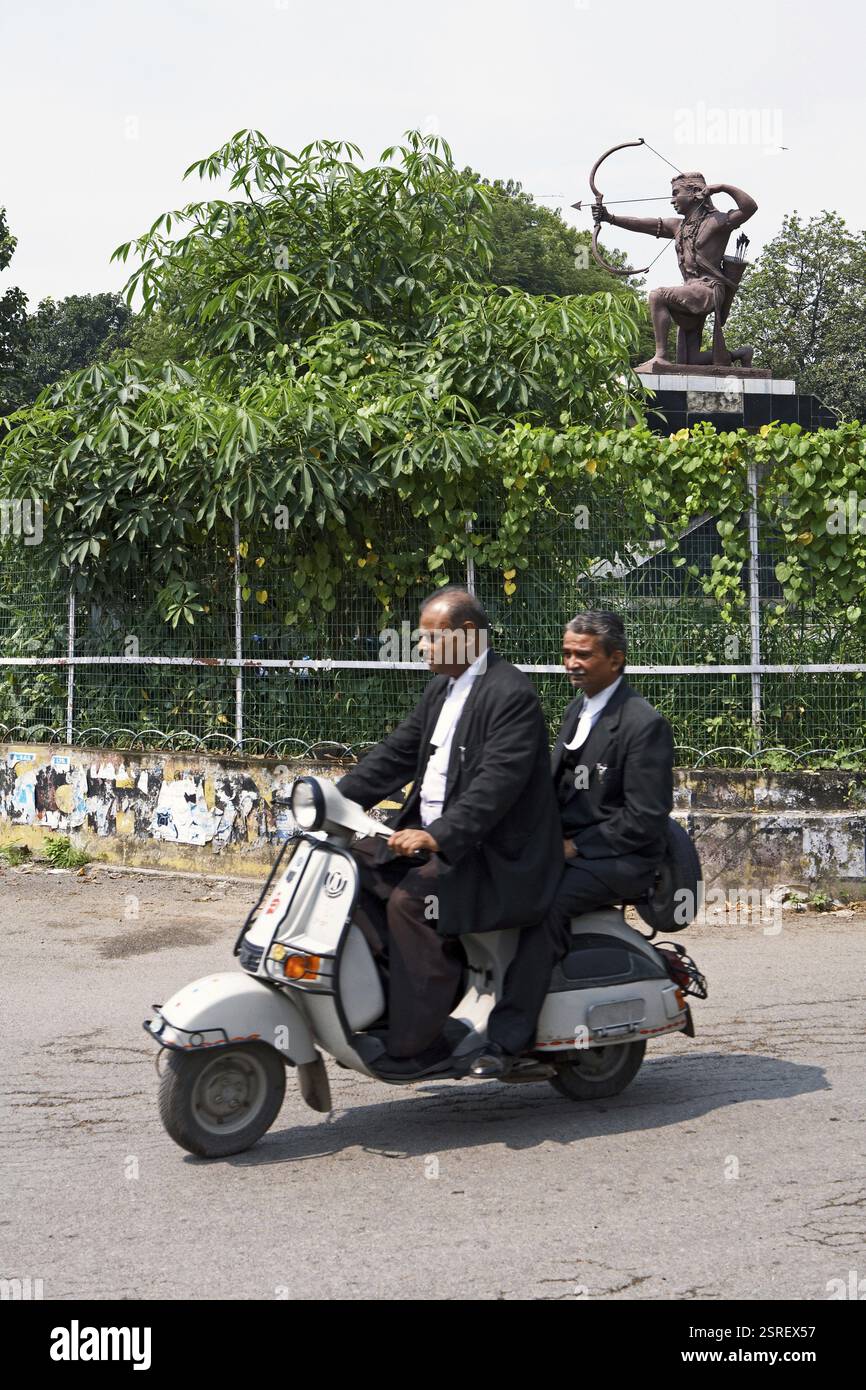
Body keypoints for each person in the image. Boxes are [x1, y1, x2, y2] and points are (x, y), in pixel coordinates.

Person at [337, 586, 562, 1078]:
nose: (421, 646)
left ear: (466, 635)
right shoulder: (441, 689)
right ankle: (389, 1005)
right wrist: (335, 799)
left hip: (491, 855)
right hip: (440, 842)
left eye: (431, 637)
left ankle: (424, 1040)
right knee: (354, 870)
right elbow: (397, 753)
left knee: (412, 901)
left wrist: (439, 834)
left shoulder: (511, 693)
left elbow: (496, 785)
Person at [467, 610, 674, 1078]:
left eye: (584, 654)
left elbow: (645, 817)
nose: (572, 663)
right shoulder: (576, 711)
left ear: (615, 659)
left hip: (622, 858)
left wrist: (576, 847)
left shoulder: (643, 724)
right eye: (567, 654)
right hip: (568, 846)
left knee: (547, 905)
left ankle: (508, 1041)